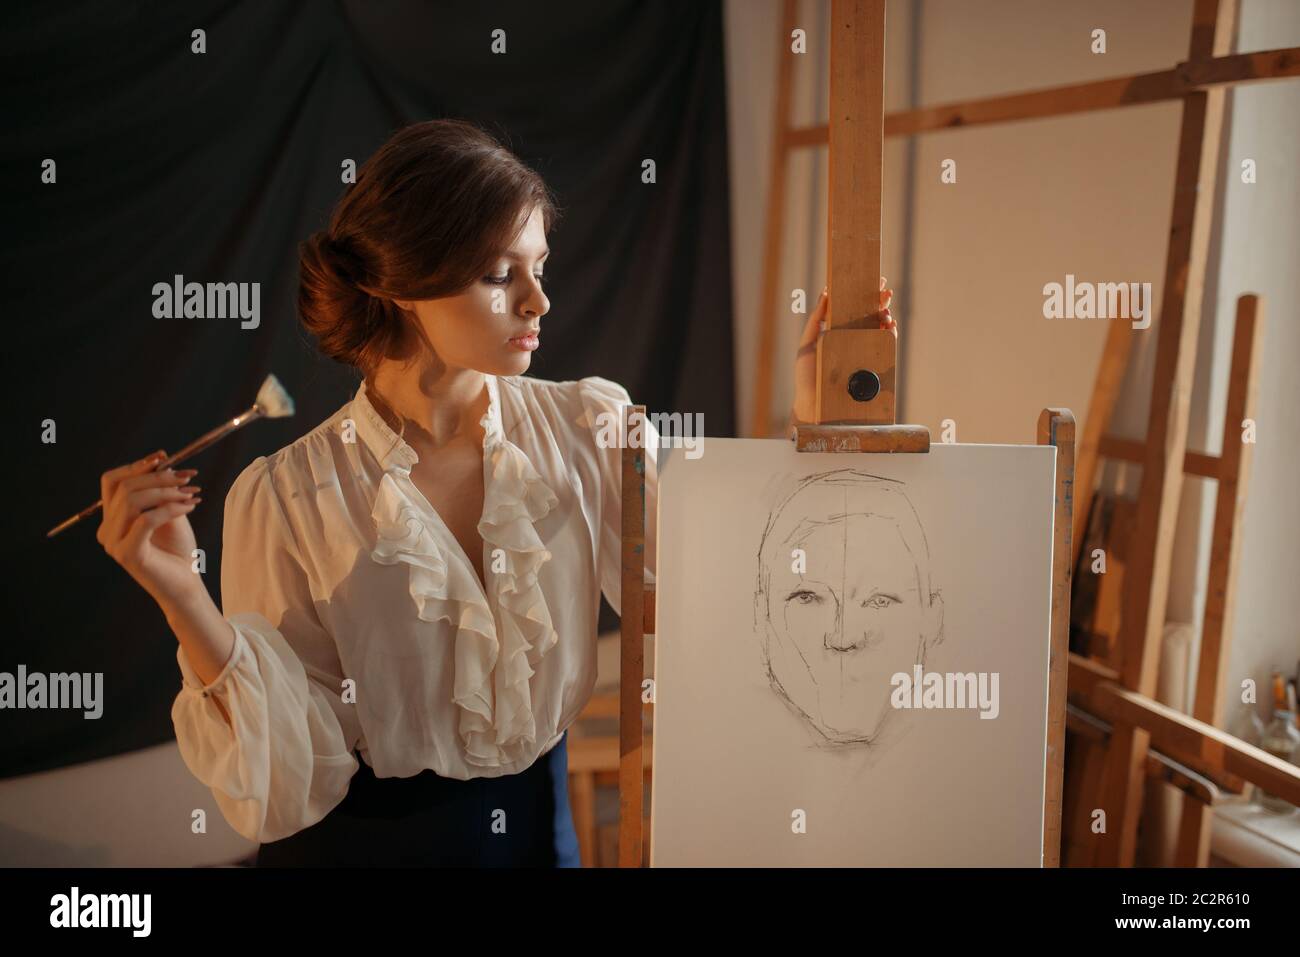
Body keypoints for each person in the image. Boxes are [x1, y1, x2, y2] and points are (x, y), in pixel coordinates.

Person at [95, 118, 896, 866]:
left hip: (538, 838)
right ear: (401, 284)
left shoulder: (589, 427)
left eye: (539, 268)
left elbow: (722, 593)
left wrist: (813, 424)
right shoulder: (288, 494)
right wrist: (180, 596)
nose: (538, 301)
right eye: (499, 274)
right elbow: (287, 764)